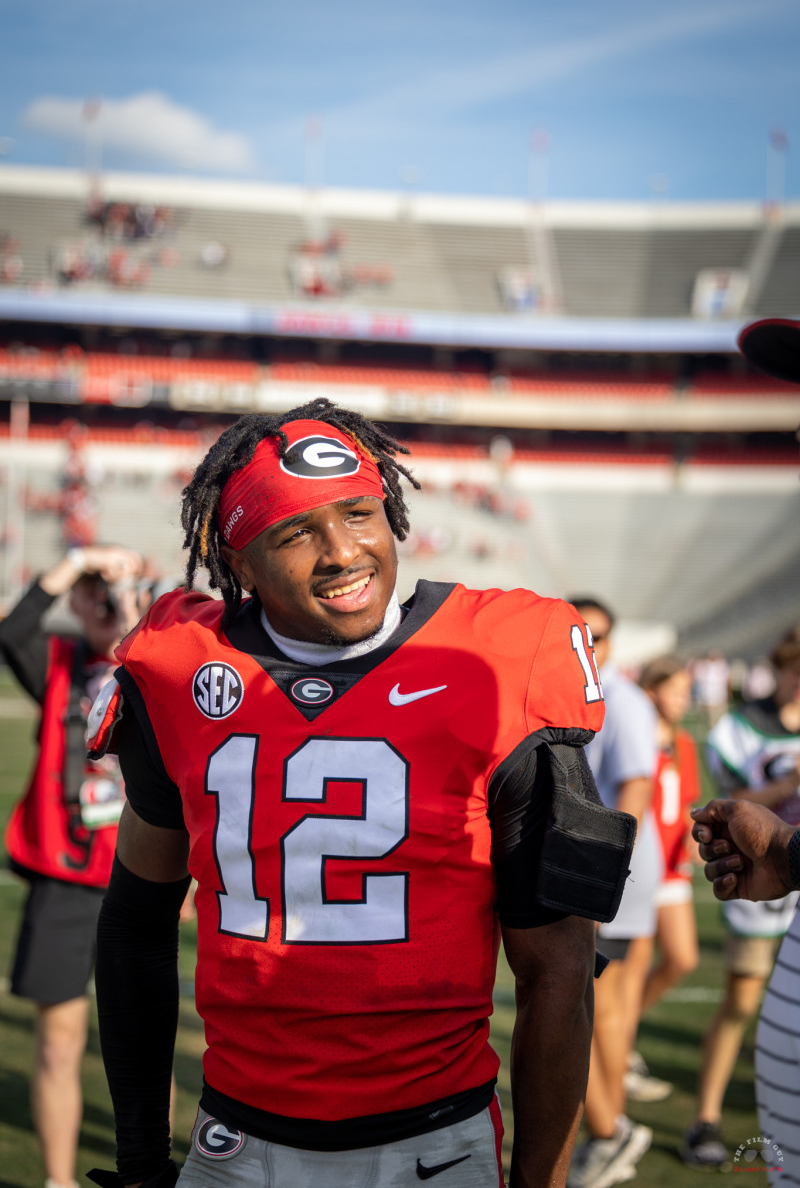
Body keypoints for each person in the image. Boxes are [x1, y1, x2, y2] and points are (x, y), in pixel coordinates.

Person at [85, 398, 635, 1188]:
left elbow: (559, 968)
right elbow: (136, 920)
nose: (342, 552)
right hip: (234, 1142)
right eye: (295, 531)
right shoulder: (178, 667)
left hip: (434, 1148)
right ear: (238, 563)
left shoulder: (499, 664)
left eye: (359, 513)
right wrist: (140, 1158)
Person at [0, 544, 145, 1188]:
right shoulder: (58, 664)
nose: (101, 603)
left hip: (141, 881)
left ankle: (147, 1173)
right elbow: (13, 631)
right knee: (59, 1042)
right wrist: (74, 563)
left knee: (144, 1051)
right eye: (90, 594)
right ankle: (60, 1182)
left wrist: (136, 610)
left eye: (106, 593)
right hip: (65, 878)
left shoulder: (159, 667)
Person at [681, 623, 800, 1169]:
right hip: (765, 880)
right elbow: (731, 804)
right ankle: (705, 1115)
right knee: (743, 1002)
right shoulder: (740, 727)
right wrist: (787, 784)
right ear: (779, 667)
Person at [565, 600, 659, 1188]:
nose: (587, 646)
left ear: (613, 642)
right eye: (576, 635)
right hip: (606, 876)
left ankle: (608, 1132)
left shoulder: (621, 699)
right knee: (605, 1015)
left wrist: (600, 877)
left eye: (595, 636)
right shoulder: (589, 693)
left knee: (585, 1017)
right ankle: (611, 1125)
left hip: (607, 880)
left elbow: (637, 788)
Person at [623, 657, 700, 1103]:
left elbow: (684, 802)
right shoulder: (636, 738)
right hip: (637, 867)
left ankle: (621, 1030)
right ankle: (620, 1047)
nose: (682, 700)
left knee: (683, 958)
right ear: (650, 692)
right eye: (675, 690)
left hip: (673, 866)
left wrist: (692, 836)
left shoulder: (684, 742)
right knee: (630, 969)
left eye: (686, 692)